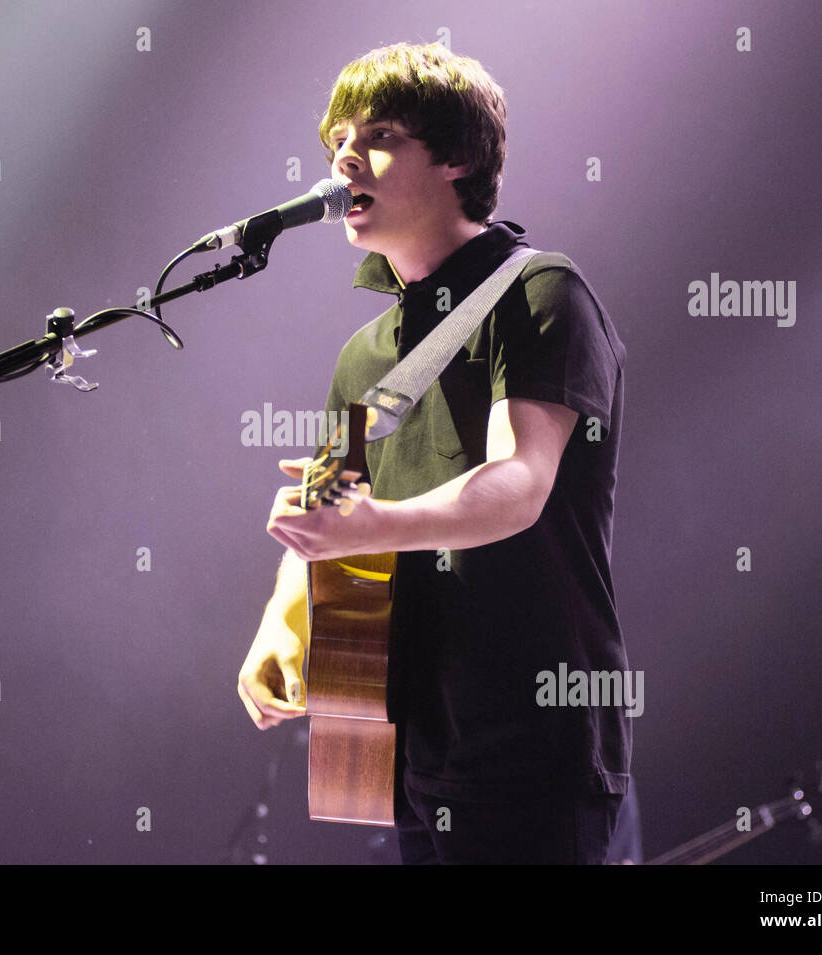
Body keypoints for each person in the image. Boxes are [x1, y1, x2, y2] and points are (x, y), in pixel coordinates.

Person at [237, 42, 631, 864]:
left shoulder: (540, 290)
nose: (345, 155)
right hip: (400, 739)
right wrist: (283, 617)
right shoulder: (363, 355)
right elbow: (327, 510)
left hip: (528, 734)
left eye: (377, 134)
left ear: (456, 156)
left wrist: (373, 523)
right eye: (336, 138)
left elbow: (519, 481)